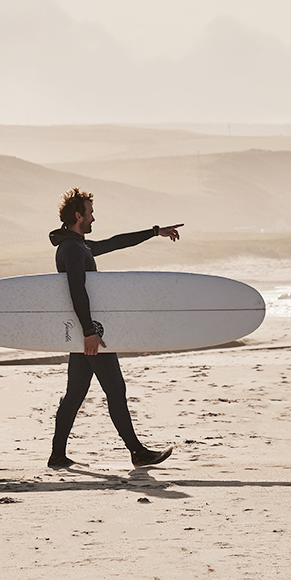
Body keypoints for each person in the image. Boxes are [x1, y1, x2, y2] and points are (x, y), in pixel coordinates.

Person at [47, 188, 182, 470]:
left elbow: (115, 242)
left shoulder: (78, 245)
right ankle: (137, 452)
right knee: (115, 389)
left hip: (87, 330)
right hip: (90, 331)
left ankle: (57, 456)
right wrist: (89, 332)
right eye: (90, 212)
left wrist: (155, 232)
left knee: (75, 394)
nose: (93, 217)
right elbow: (76, 290)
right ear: (78, 215)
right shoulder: (71, 249)